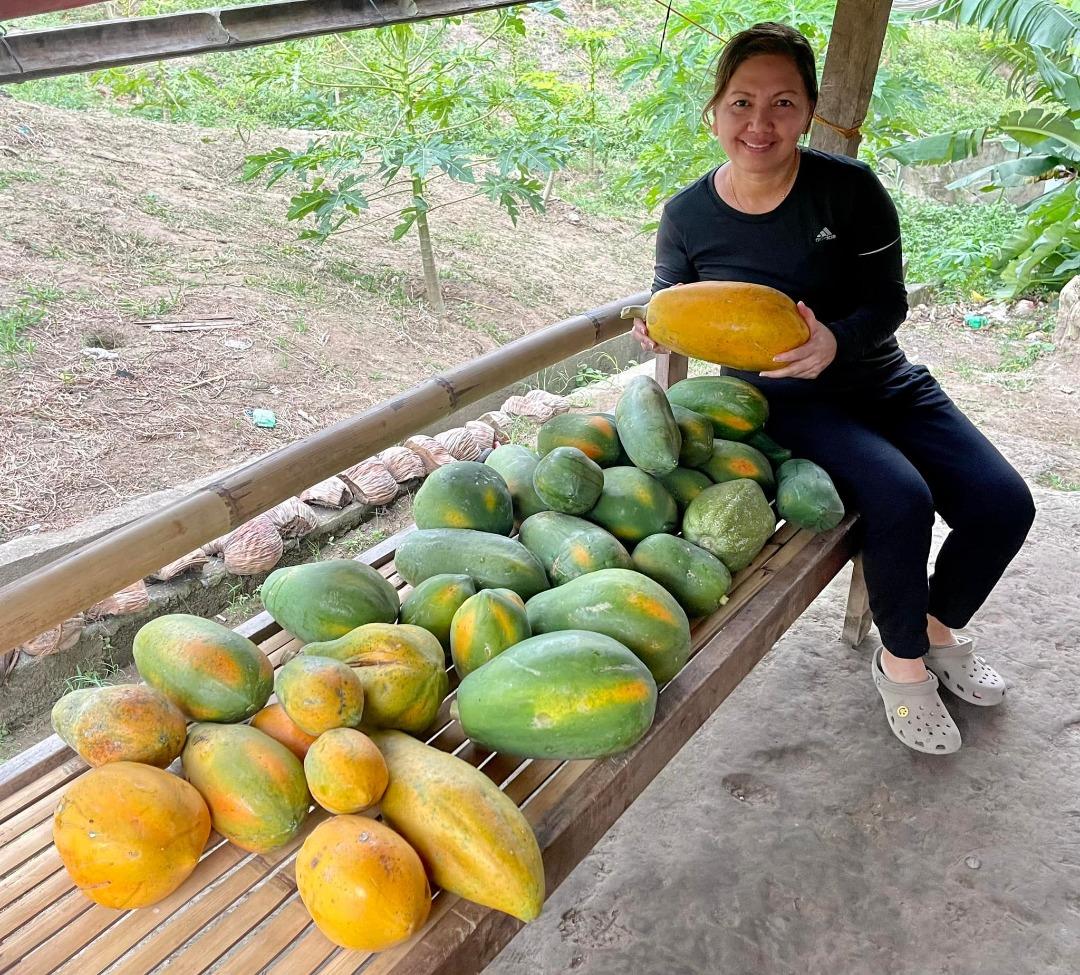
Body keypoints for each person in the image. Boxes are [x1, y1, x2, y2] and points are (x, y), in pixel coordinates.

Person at [631, 21, 1035, 755]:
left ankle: (934, 626)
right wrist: (656, 329)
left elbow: (889, 303)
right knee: (900, 496)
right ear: (714, 111)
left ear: (810, 111)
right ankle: (903, 662)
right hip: (786, 404)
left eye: (783, 103)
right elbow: (670, 300)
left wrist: (835, 341)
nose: (761, 123)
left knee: (1004, 502)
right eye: (742, 102)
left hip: (882, 378)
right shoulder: (687, 215)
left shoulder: (848, 191)